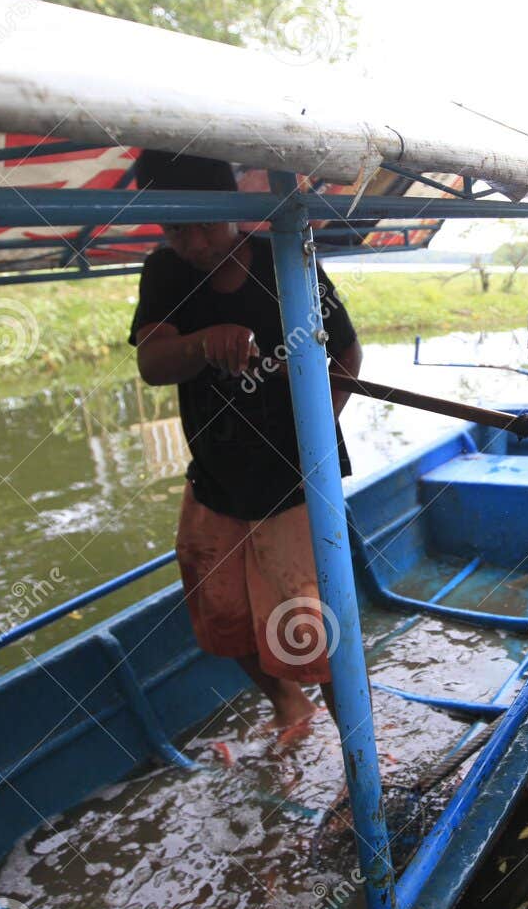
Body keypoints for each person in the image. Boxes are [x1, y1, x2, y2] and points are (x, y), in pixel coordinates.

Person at [128, 150, 364, 740]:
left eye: (204, 223)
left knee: (311, 625)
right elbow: (154, 361)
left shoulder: (288, 261)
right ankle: (289, 704)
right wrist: (205, 343)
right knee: (220, 614)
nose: (193, 242)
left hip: (293, 483)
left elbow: (347, 360)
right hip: (214, 478)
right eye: (176, 229)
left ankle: (358, 752)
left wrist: (314, 439)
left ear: (233, 210)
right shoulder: (166, 273)